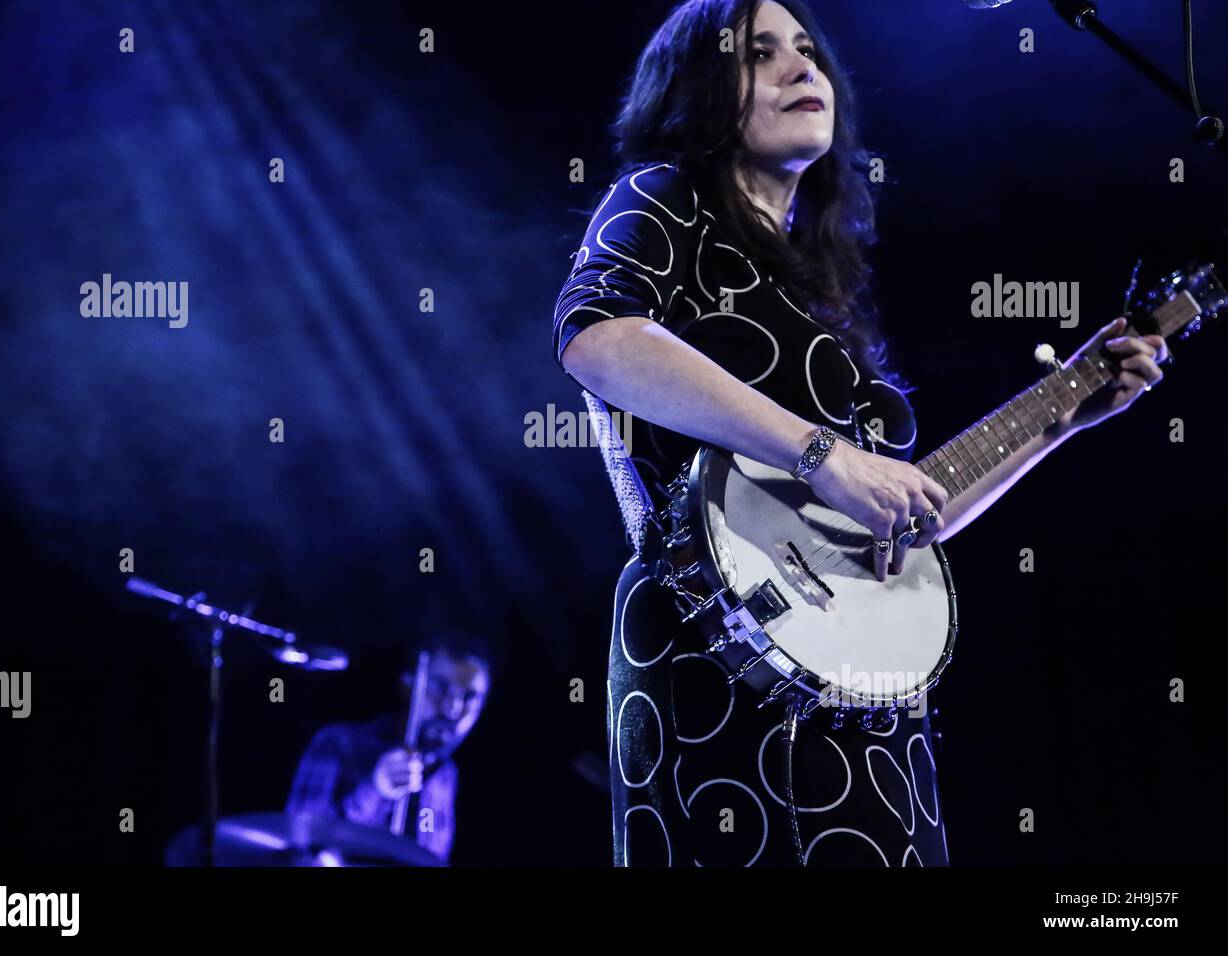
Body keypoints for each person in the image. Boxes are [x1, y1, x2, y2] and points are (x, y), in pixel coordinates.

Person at [551, 0, 1167, 866]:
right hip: (710, 645)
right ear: (694, 90)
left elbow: (903, 520)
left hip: (862, 682)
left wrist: (1067, 413)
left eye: (807, 49)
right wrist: (822, 453)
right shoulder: (660, 201)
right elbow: (595, 338)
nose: (803, 67)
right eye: (760, 53)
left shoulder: (817, 295)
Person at [285, 635, 491, 863]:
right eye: (441, 687)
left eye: (470, 697)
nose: (453, 708)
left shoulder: (446, 774)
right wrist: (376, 790)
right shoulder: (337, 744)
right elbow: (301, 846)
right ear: (408, 684)